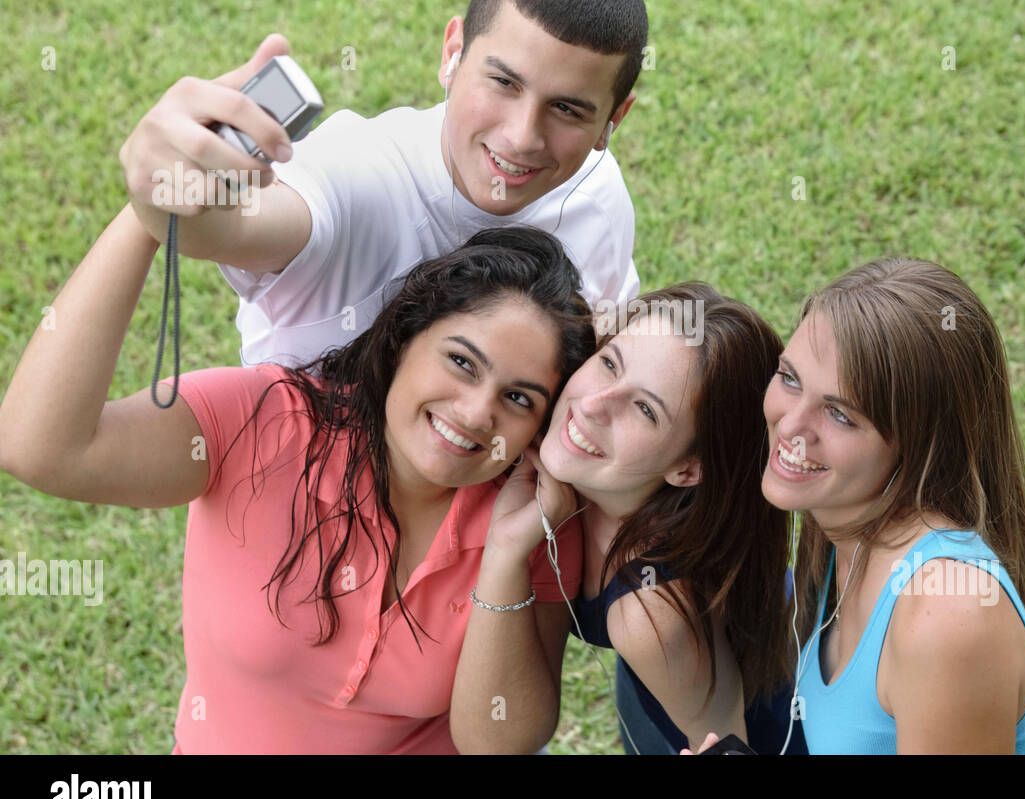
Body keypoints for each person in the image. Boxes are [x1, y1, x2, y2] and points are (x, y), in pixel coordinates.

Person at [0, 213, 595, 754]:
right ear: (404, 337)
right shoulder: (261, 422)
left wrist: (506, 557)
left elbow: (499, 745)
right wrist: (146, 221)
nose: (474, 412)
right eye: (462, 362)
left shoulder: (533, 520)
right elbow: (43, 450)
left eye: (518, 398)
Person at [118, 0, 648, 368]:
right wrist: (168, 188)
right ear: (452, 54)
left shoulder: (598, 198)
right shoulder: (353, 175)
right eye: (504, 82)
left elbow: (596, 345)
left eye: (568, 110)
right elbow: (224, 228)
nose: (521, 136)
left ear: (612, 121)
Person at [758, 258, 1025, 754]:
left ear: (920, 446)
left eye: (840, 415)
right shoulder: (842, 519)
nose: (790, 427)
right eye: (790, 377)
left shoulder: (947, 616)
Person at [537, 284, 807, 754]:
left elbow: (723, 738)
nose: (593, 404)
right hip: (664, 675)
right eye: (609, 362)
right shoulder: (580, 455)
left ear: (688, 469)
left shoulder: (651, 614)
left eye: (645, 409)